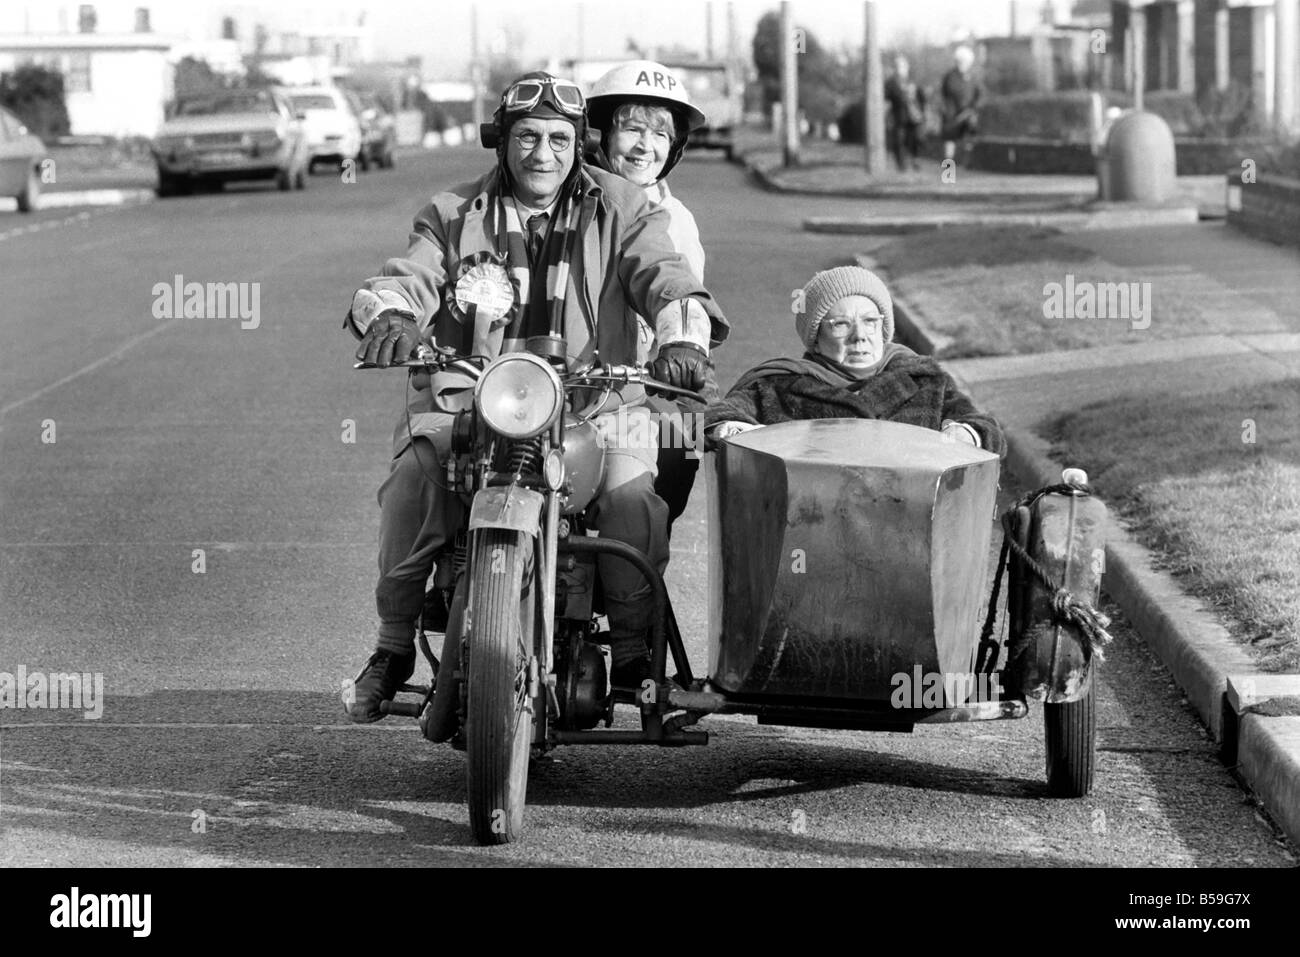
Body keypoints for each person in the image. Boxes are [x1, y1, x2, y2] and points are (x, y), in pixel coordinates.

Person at [343, 72, 729, 720]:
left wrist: (683, 337)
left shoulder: (626, 206)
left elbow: (665, 275)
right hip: (473, 396)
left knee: (634, 498)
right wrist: (389, 314)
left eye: (557, 138)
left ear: (580, 143)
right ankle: (391, 646)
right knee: (413, 481)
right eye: (527, 136)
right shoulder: (453, 213)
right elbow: (410, 274)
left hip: (596, 401)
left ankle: (635, 656)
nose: (542, 154)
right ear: (503, 140)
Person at [586, 59, 712, 527]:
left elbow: (682, 300)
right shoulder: (570, 202)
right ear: (599, 134)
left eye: (660, 134)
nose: (645, 146)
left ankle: (638, 590)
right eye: (632, 129)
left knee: (677, 451)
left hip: (642, 384)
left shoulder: (677, 221)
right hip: (565, 378)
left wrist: (680, 354)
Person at [704, 265, 1005, 456]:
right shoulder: (776, 385)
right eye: (840, 325)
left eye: (870, 321)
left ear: (883, 328)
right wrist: (734, 429)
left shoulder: (925, 380)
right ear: (816, 337)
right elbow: (715, 417)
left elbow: (986, 429)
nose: (859, 336)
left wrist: (967, 433)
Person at [939, 45, 983, 166]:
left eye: (965, 61)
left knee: (971, 131)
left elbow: (979, 95)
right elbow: (947, 94)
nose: (963, 64)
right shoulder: (950, 77)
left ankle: (968, 162)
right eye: (960, 61)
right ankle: (948, 173)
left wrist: (972, 109)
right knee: (949, 143)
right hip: (952, 115)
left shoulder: (973, 78)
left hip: (968, 115)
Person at [883, 55, 926, 172]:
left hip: (915, 117)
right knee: (899, 141)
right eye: (897, 66)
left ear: (907, 67)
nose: (899, 68)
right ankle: (901, 165)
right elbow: (885, 99)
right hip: (899, 116)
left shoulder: (913, 81)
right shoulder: (890, 83)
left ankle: (916, 159)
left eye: (902, 66)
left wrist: (921, 111)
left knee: (916, 138)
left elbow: (922, 97)